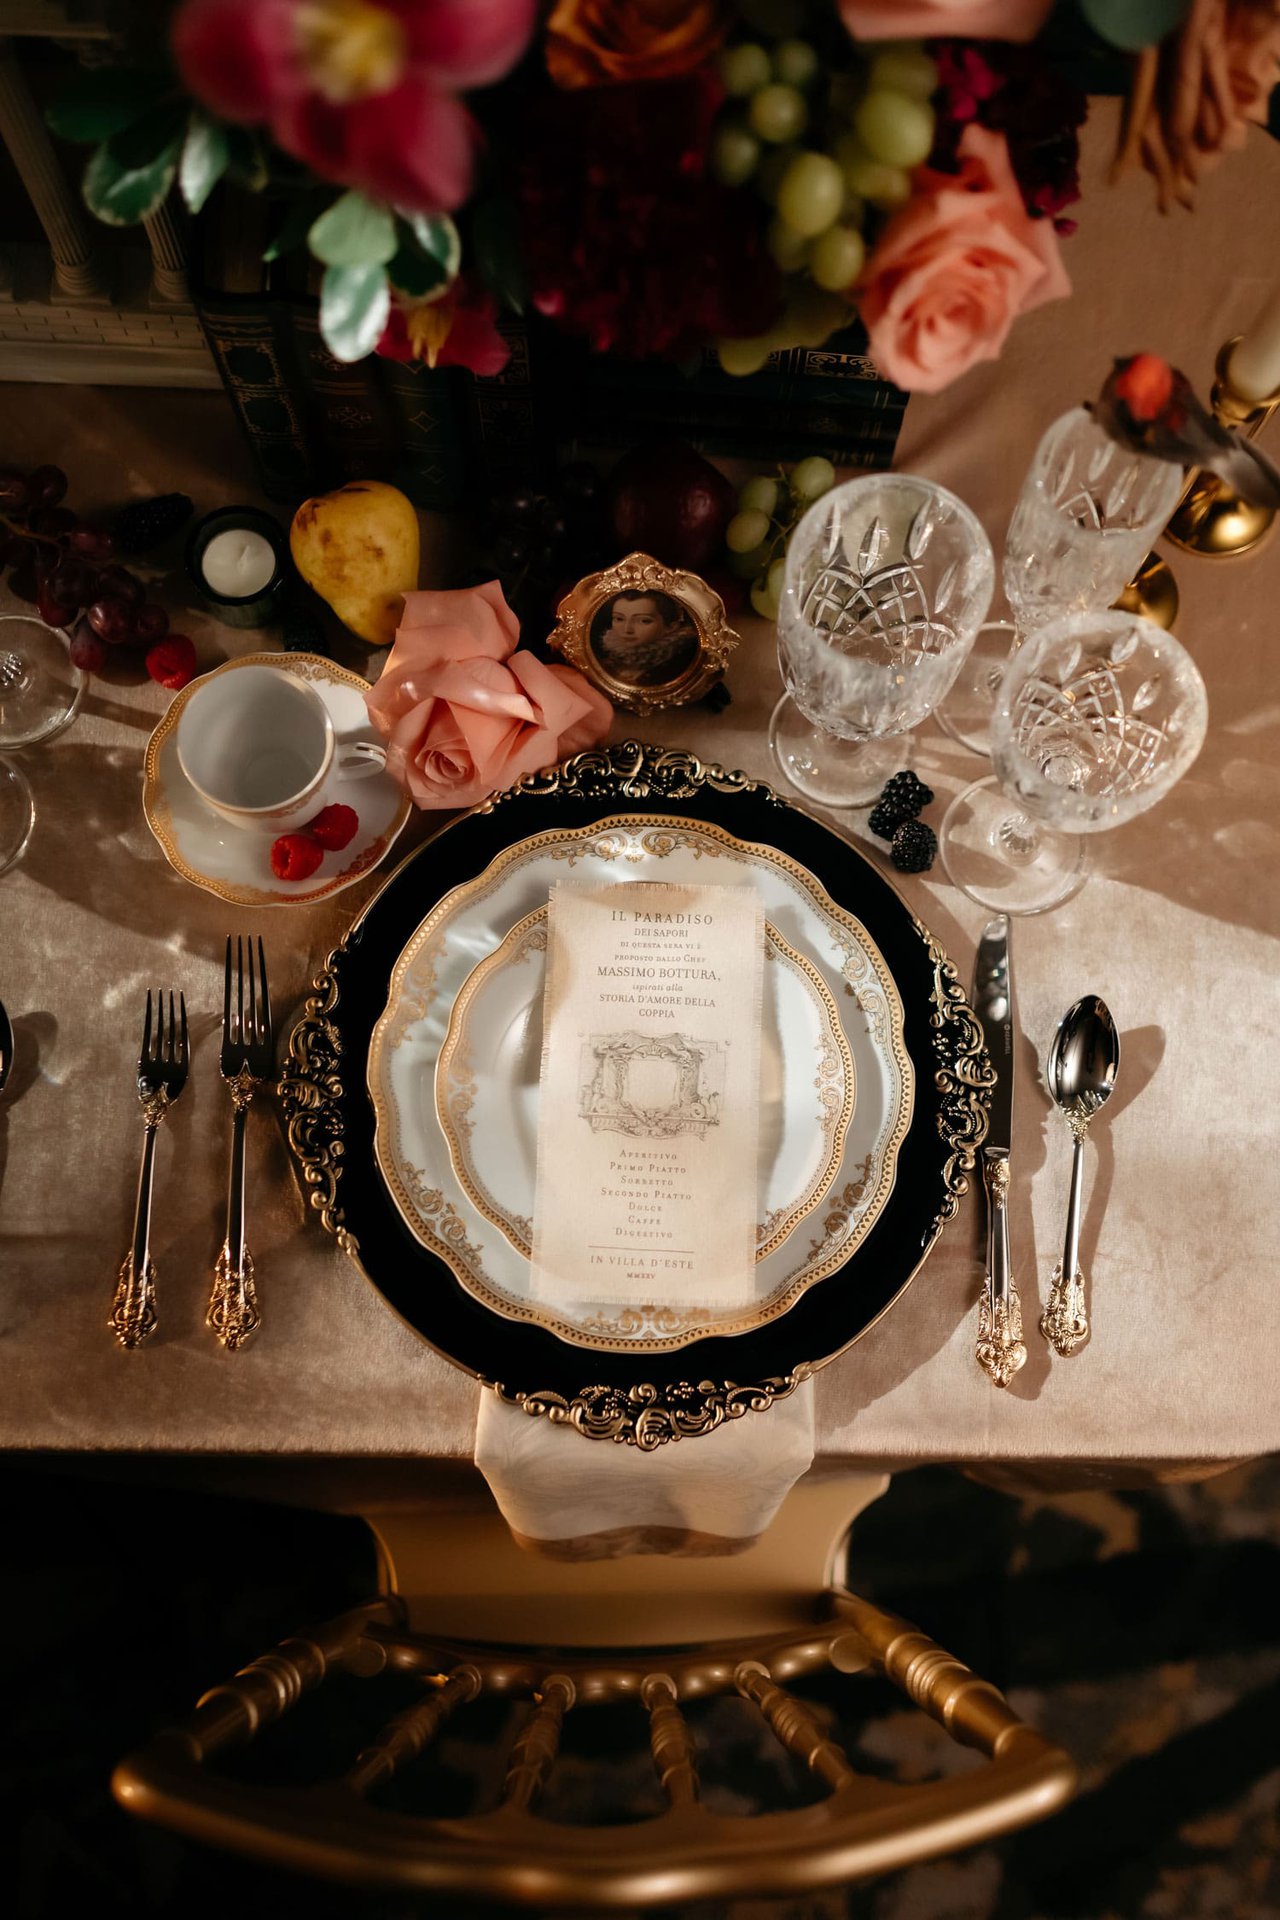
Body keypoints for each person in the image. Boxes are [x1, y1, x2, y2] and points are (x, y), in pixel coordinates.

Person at [591, 590, 698, 688]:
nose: (628, 629)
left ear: (671, 627)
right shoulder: (605, 661)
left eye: (644, 621)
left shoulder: (679, 664)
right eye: (619, 619)